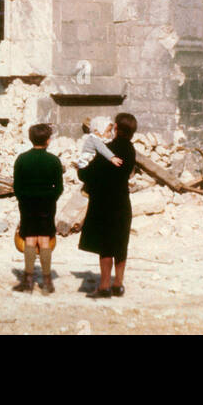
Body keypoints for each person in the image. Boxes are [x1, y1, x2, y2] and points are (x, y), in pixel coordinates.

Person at [78, 111, 137, 298]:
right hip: (122, 201)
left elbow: (87, 174)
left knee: (106, 245)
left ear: (117, 129)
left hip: (104, 202)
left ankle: (104, 285)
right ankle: (118, 283)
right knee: (120, 243)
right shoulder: (131, 150)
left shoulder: (107, 149)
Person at [12, 123, 63, 294]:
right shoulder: (54, 160)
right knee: (44, 239)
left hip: (27, 203)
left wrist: (23, 198)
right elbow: (59, 187)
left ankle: (27, 281)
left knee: (29, 238)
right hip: (47, 204)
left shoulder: (22, 159)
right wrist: (51, 198)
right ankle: (47, 281)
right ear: (48, 140)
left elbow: (17, 185)